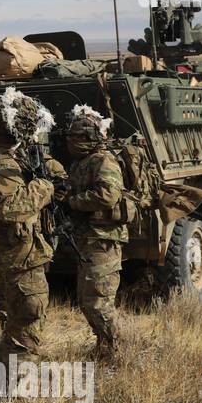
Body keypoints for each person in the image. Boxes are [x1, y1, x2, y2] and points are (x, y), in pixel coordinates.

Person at [0, 88, 66, 369]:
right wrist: (44, 187)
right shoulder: (4, 165)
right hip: (19, 258)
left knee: (14, 332)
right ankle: (14, 400)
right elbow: (11, 209)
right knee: (27, 331)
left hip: (4, 255)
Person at [64, 105, 127, 360]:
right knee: (87, 297)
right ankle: (105, 345)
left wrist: (73, 201)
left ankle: (116, 350)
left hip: (103, 240)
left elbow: (109, 194)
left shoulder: (103, 160)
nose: (72, 143)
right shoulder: (83, 162)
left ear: (89, 139)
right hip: (89, 238)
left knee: (99, 300)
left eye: (76, 138)